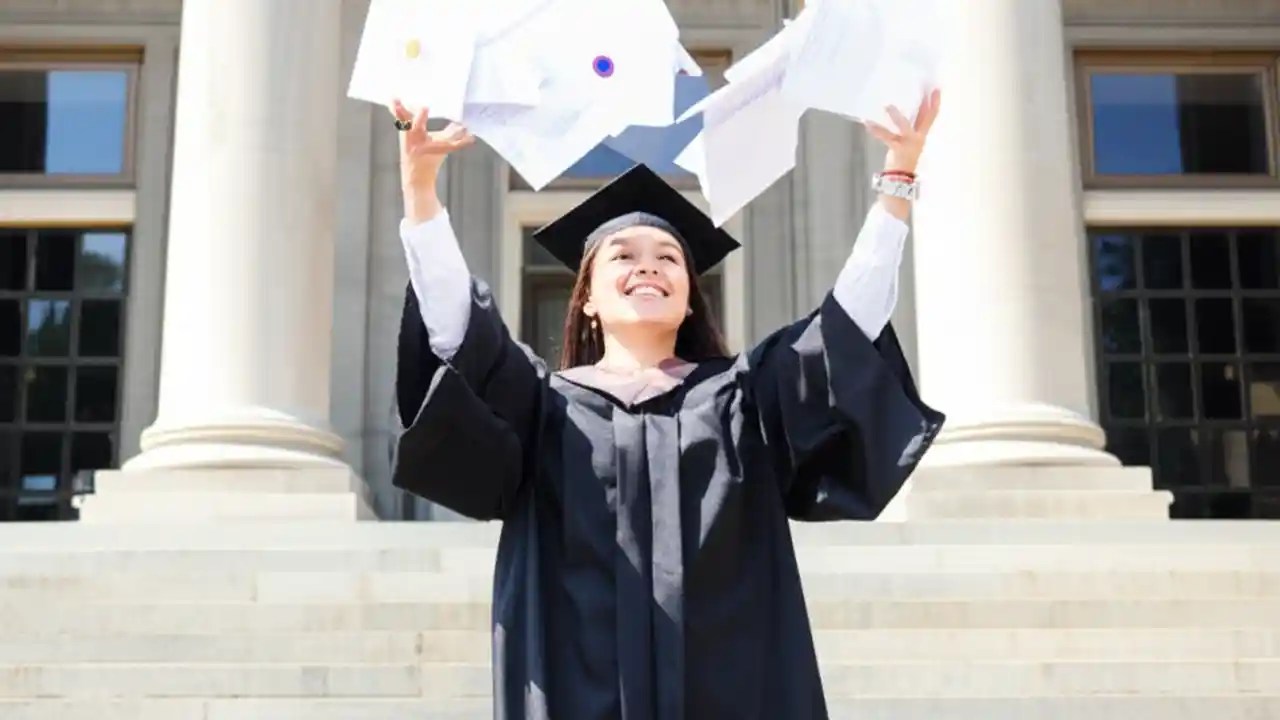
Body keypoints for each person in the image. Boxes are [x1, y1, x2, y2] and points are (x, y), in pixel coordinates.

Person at [389, 92, 945, 719]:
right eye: (622, 257)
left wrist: (897, 178)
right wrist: (421, 194)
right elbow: (458, 329)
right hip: (578, 688)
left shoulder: (743, 397)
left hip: (730, 691)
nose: (647, 268)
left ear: (688, 300)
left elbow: (846, 330)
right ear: (589, 299)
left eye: (668, 259)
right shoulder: (545, 407)